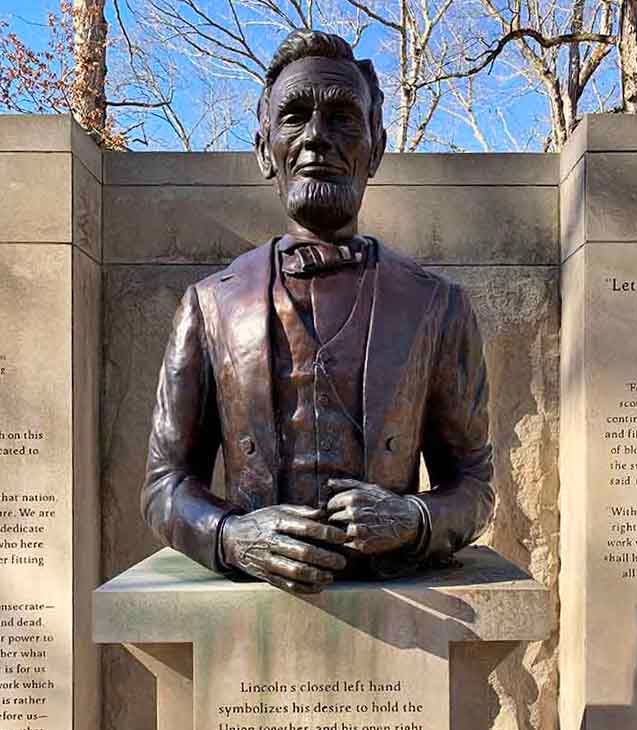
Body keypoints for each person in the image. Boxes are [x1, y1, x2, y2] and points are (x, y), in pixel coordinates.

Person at [141, 29, 494, 595]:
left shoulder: (437, 306)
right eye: (295, 117)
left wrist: (415, 521)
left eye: (342, 118)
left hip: (395, 600)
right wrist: (231, 536)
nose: (316, 139)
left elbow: (474, 483)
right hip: (259, 600)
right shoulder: (208, 306)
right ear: (264, 150)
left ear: (375, 148)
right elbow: (164, 484)